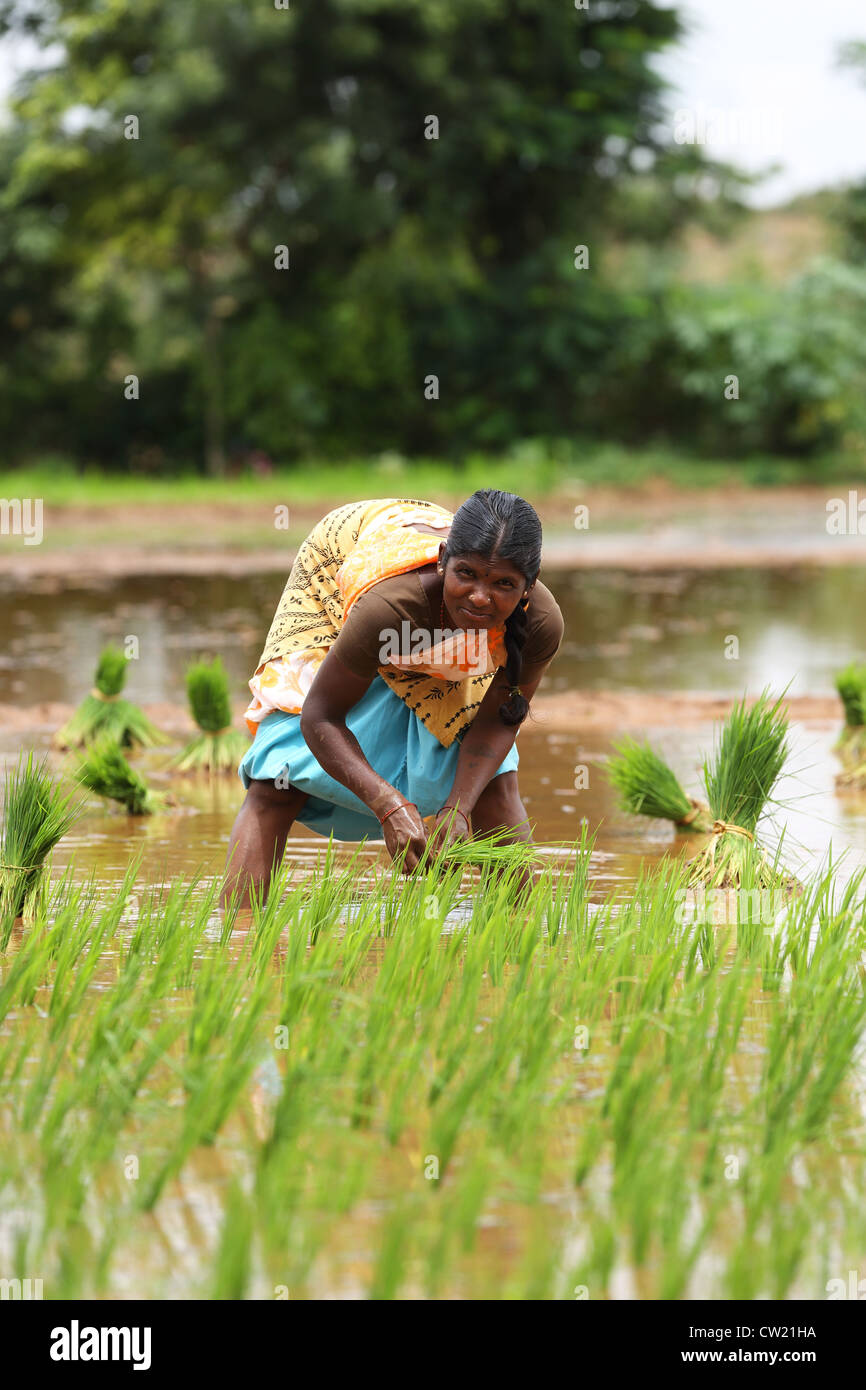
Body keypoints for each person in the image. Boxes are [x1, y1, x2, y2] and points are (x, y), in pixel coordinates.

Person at [221, 490, 564, 906]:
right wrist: (387, 805)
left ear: (530, 583)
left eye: (503, 584)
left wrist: (457, 809)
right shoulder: (387, 606)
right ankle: (236, 935)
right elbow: (320, 716)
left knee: (492, 785)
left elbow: (496, 724)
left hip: (417, 617)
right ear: (443, 559)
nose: (479, 597)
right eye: (467, 574)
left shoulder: (541, 622)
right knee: (276, 783)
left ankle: (519, 935)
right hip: (338, 566)